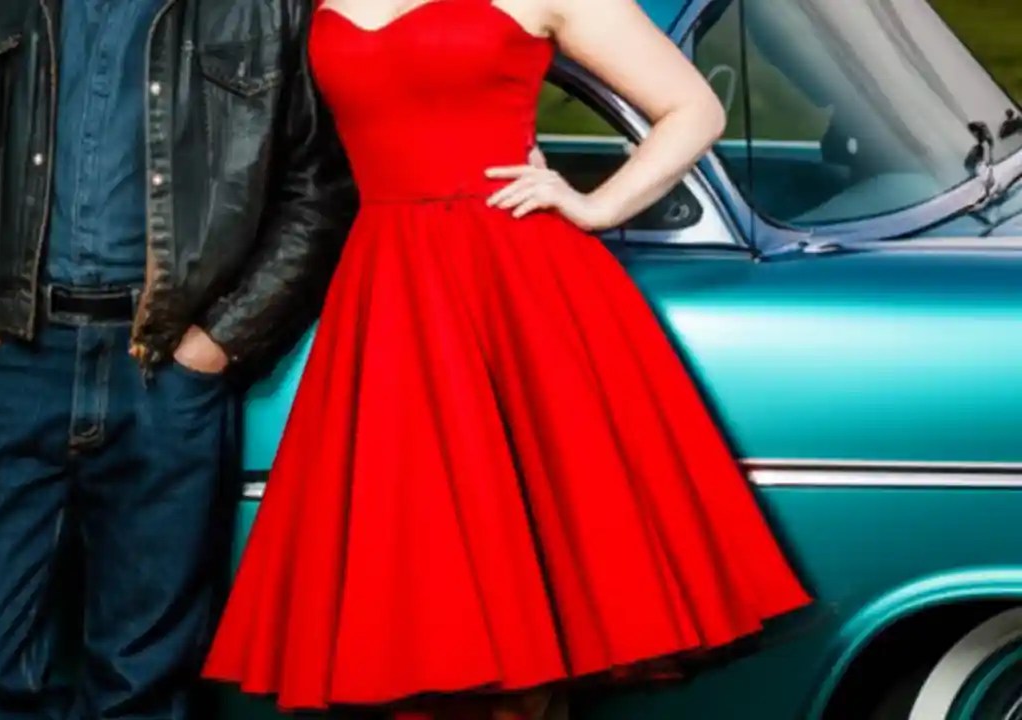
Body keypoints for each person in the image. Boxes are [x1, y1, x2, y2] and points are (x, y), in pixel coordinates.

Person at [203, 0, 813, 718]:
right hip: (387, 290)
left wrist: (597, 205)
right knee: (423, 578)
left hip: (513, 288)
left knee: (535, 585)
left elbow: (693, 108)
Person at [0, 1, 355, 717]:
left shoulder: (266, 8)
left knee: (140, 688)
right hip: (16, 362)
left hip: (164, 374)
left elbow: (320, 189)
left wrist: (216, 346)